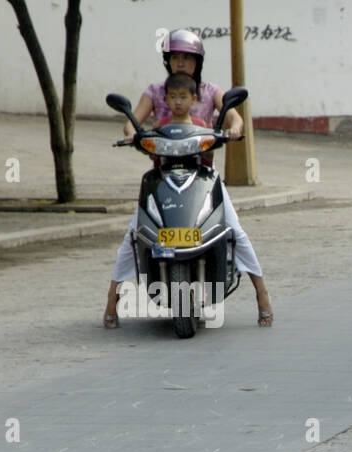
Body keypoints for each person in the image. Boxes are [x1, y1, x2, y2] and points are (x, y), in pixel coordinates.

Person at [102, 29, 273, 329]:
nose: (181, 63)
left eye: (187, 58)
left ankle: (262, 295)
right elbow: (133, 123)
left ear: (197, 62)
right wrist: (131, 135)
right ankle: (111, 301)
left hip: (203, 176)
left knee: (235, 229)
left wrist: (233, 128)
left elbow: (234, 117)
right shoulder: (157, 91)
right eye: (176, 57)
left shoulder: (208, 91)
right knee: (134, 233)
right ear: (168, 61)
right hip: (162, 175)